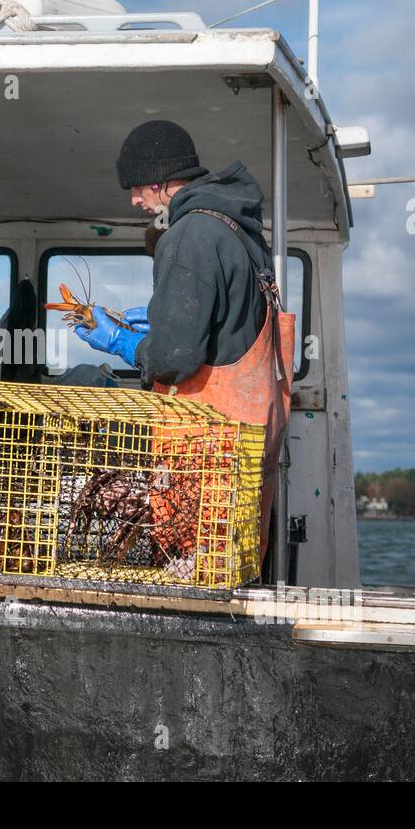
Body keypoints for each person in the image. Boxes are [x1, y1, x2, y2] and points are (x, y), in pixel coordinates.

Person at [72, 119, 295, 569]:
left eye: (136, 187)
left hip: (206, 450)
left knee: (190, 569)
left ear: (159, 180)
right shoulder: (239, 230)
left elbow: (175, 357)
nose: (135, 199)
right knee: (231, 562)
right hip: (245, 446)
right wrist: (159, 314)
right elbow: (221, 325)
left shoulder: (189, 234)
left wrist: (122, 343)